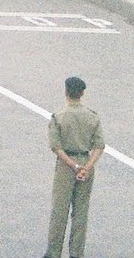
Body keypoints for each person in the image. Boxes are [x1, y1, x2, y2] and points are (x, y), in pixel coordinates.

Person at [45, 76, 105, 258]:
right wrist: (86, 167)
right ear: (82, 93)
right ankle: (77, 253)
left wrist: (74, 166)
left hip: (66, 165)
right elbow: (99, 146)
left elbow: (56, 147)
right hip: (86, 163)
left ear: (66, 92)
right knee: (80, 213)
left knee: (60, 211)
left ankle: (54, 252)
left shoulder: (59, 117)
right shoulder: (92, 117)